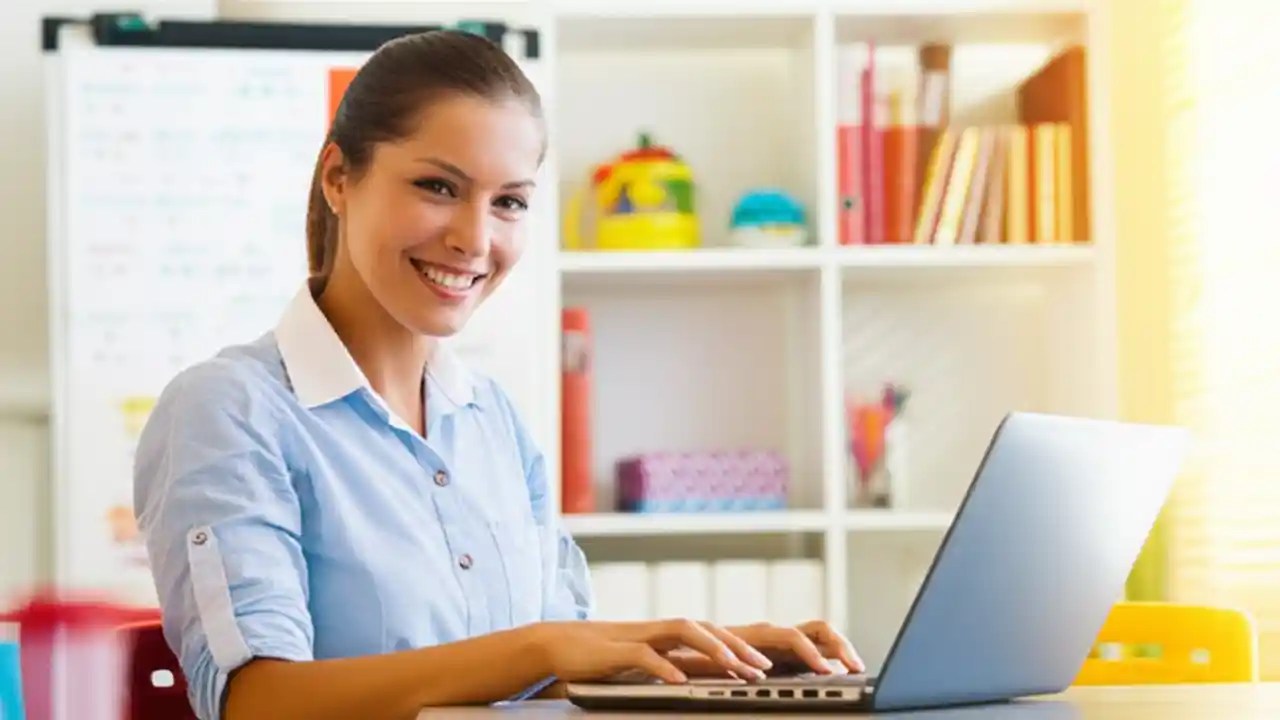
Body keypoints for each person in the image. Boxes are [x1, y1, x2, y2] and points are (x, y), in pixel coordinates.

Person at [133, 29, 863, 720]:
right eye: (438, 187)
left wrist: (713, 660)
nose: (475, 239)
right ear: (338, 178)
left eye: (508, 202)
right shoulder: (229, 409)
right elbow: (258, 702)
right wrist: (537, 646)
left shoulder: (492, 420)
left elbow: (554, 673)